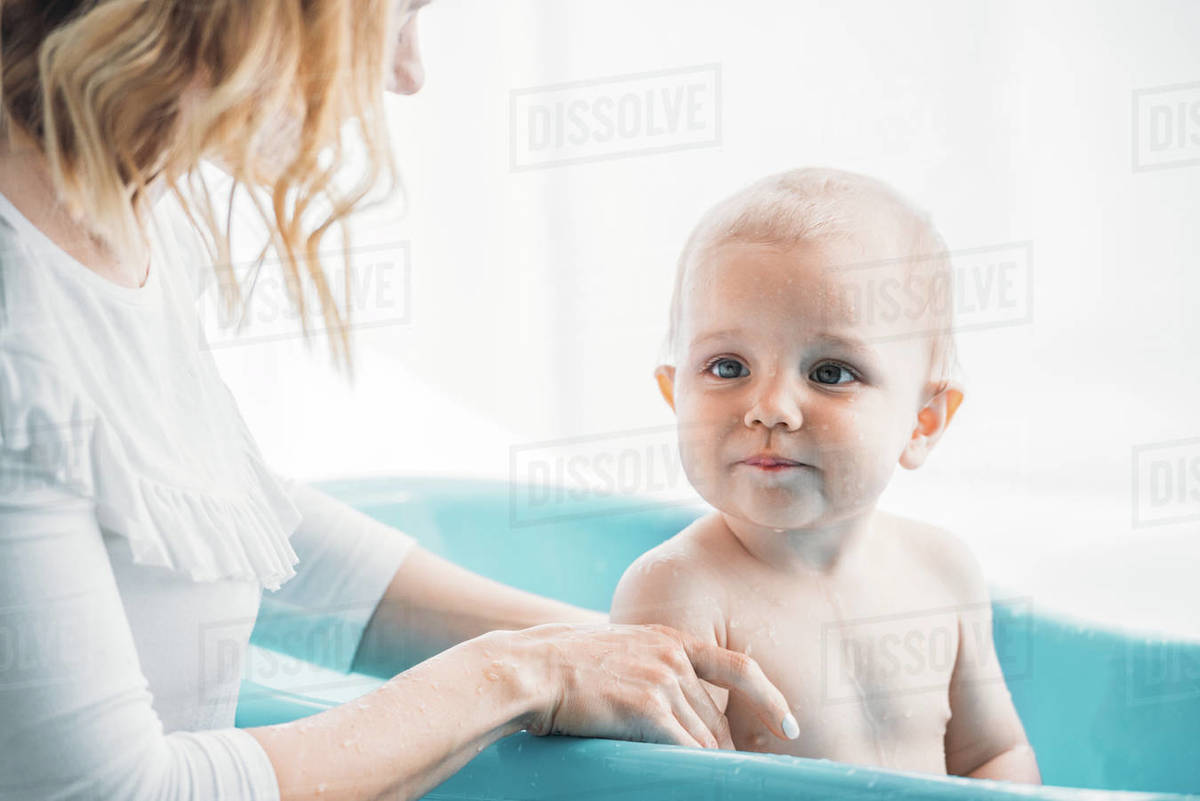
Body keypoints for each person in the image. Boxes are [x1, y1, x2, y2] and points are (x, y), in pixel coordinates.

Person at [0, 2, 798, 800]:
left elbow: (200, 530)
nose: (408, 73)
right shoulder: (17, 321)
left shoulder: (123, 208)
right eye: (399, 15)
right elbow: (113, 792)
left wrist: (611, 646)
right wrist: (523, 671)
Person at [610, 168, 1042, 781]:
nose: (771, 408)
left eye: (831, 372)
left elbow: (992, 754)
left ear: (923, 422)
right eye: (728, 366)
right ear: (674, 392)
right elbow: (668, 791)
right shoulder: (681, 591)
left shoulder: (944, 572)